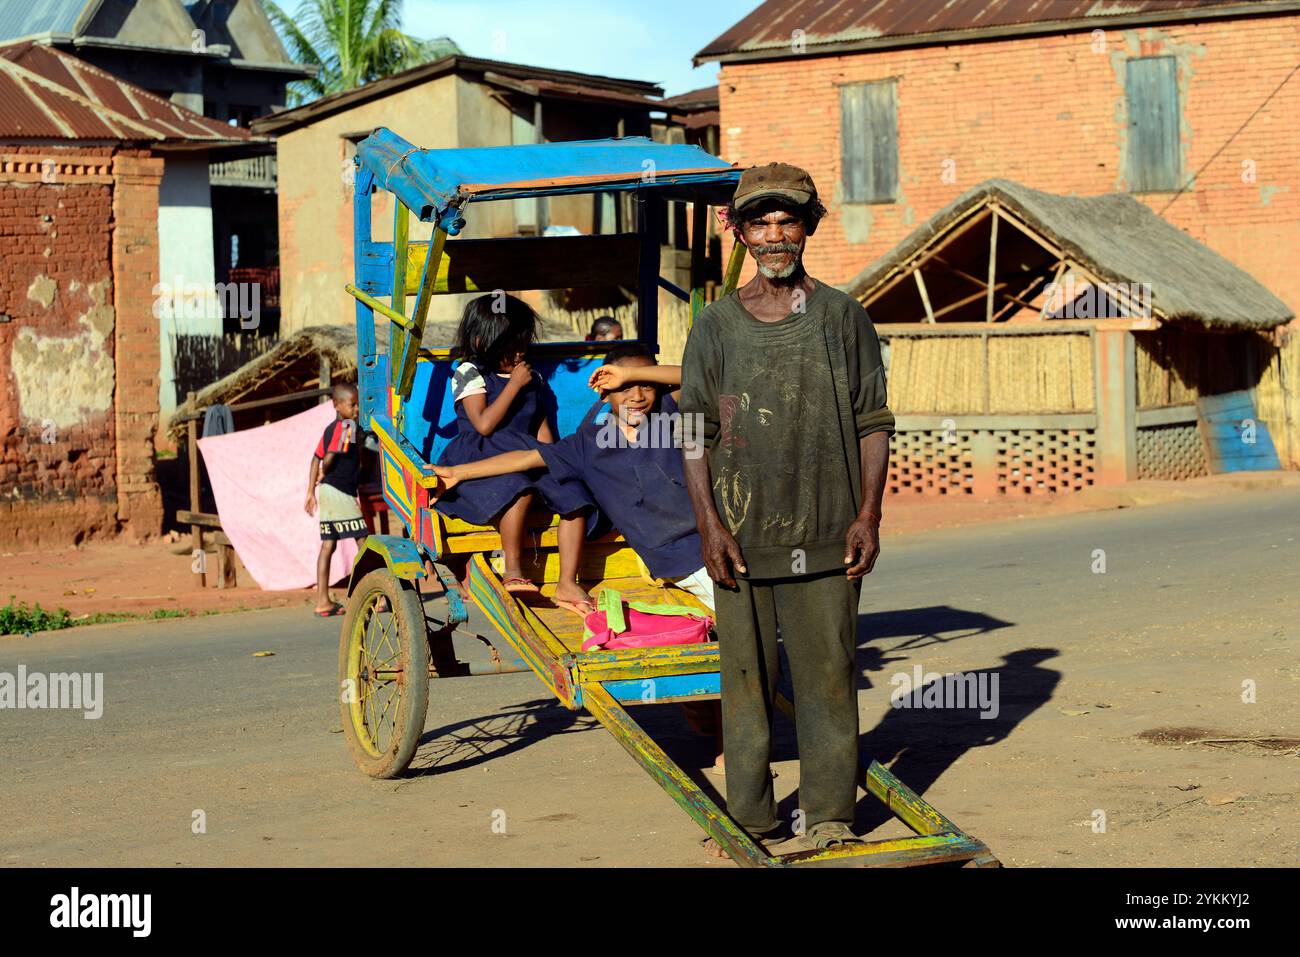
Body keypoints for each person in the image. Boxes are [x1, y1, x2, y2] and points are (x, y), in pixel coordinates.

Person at [678, 162, 895, 854]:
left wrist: (868, 515)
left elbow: (873, 420)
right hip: (739, 539)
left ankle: (831, 814)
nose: (775, 235)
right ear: (740, 232)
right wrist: (709, 525)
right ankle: (751, 817)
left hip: (829, 533)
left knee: (830, 676)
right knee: (745, 684)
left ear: (808, 227)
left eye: (787, 220)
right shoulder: (714, 326)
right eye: (761, 222)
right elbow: (691, 432)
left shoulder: (842, 317)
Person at [433, 342, 723, 771]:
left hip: (716, 547)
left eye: (647, 385)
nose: (638, 396)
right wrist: (460, 472)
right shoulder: (591, 443)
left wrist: (630, 376)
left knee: (740, 651)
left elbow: (712, 372)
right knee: (737, 652)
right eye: (626, 388)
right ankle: (727, 744)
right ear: (604, 392)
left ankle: (723, 738)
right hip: (679, 561)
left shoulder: (672, 420)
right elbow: (528, 456)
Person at [434, 293, 596, 614]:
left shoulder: (531, 376)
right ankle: (513, 571)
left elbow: (541, 427)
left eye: (522, 342)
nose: (520, 351)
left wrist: (555, 461)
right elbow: (482, 424)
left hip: (526, 452)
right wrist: (512, 386)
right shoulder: (469, 371)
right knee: (517, 486)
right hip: (480, 455)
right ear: (482, 342)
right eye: (510, 345)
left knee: (575, 495)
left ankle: (567, 581)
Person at [305, 383, 370, 617]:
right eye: (352, 404)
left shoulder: (330, 428)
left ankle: (322, 601)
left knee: (328, 546)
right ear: (337, 405)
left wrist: (311, 490)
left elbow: (315, 457)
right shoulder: (347, 427)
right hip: (340, 492)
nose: (356, 409)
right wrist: (327, 467)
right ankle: (379, 595)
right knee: (364, 541)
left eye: (357, 404)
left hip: (327, 491)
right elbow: (328, 457)